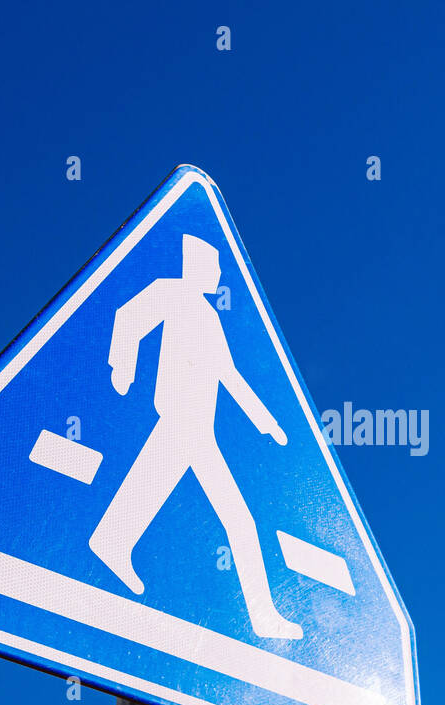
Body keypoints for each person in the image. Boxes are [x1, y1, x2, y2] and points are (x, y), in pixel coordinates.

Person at [89, 234, 303, 640]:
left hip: (197, 426)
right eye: (215, 267)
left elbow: (229, 372)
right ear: (198, 267)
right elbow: (129, 317)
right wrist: (123, 367)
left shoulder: (211, 317)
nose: (220, 274)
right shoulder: (170, 292)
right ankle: (263, 617)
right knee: (238, 518)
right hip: (178, 416)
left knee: (173, 493)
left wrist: (266, 421)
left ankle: (111, 541)